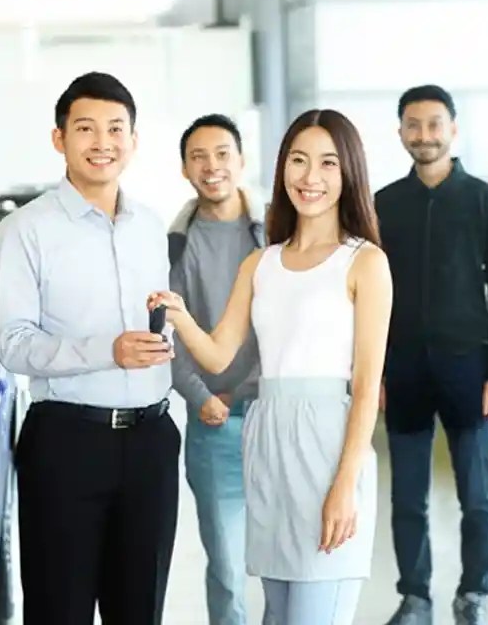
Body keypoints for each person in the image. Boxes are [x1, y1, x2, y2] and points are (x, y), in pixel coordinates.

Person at [149, 109, 392, 625]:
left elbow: (367, 385)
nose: (311, 177)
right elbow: (218, 354)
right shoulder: (261, 263)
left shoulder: (365, 262)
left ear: (348, 172)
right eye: (298, 161)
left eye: (327, 163)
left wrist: (345, 485)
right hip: (268, 445)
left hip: (328, 448)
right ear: (282, 169)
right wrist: (179, 314)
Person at [0, 71, 181, 625]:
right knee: (58, 609)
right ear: (59, 139)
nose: (103, 143)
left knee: (139, 609)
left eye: (116, 129)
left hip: (152, 441)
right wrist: (107, 351)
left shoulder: (150, 226)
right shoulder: (26, 231)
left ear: (134, 142)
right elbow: (14, 344)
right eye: (87, 128)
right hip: (67, 441)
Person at [374, 84, 488, 625]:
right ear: (400, 132)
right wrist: (377, 371)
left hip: (468, 367)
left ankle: (474, 592)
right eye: (413, 125)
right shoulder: (384, 204)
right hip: (404, 370)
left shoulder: (484, 200)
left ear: (453, 130)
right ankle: (414, 596)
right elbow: (372, 294)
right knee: (408, 499)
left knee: (476, 498)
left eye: (434, 124)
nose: (424, 135)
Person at [165, 113, 265, 625]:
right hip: (213, 425)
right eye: (198, 156)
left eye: (222, 154)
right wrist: (200, 395)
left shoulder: (275, 235)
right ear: (184, 168)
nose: (212, 166)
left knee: (286, 565)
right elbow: (170, 335)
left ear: (241, 161)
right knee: (226, 568)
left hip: (277, 419)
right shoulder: (174, 245)